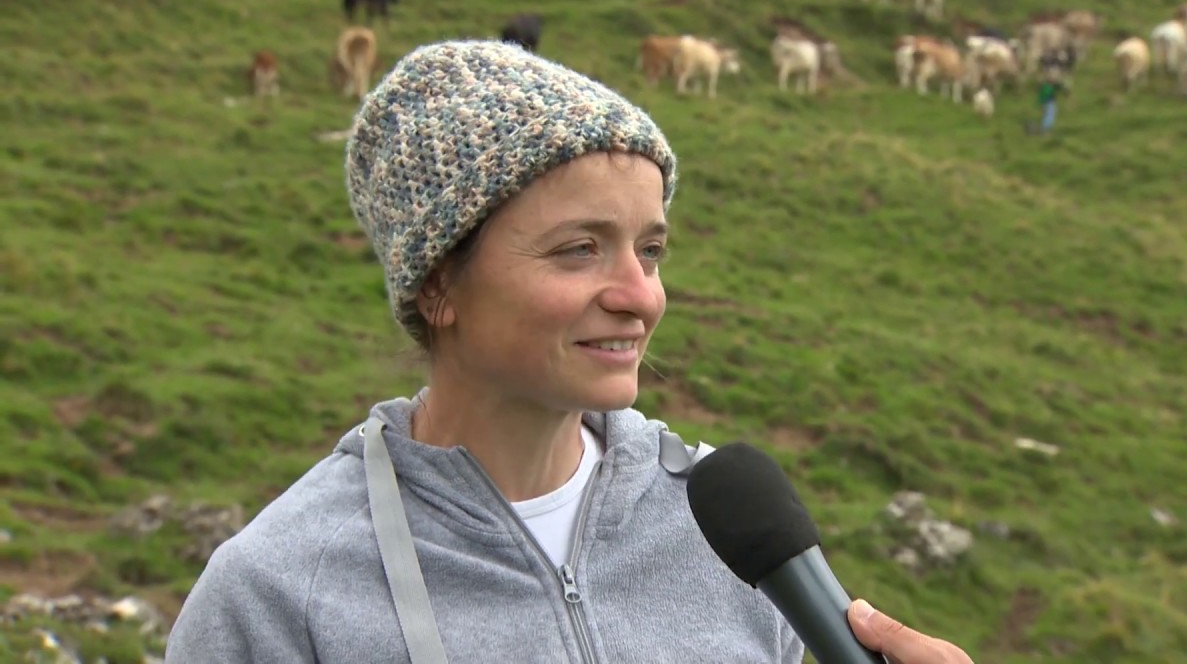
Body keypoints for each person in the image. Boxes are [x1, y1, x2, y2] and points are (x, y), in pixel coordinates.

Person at [164, 40, 975, 664]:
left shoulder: (725, 530)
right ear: (437, 285)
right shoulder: (277, 593)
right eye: (579, 249)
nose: (640, 294)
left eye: (649, 250)